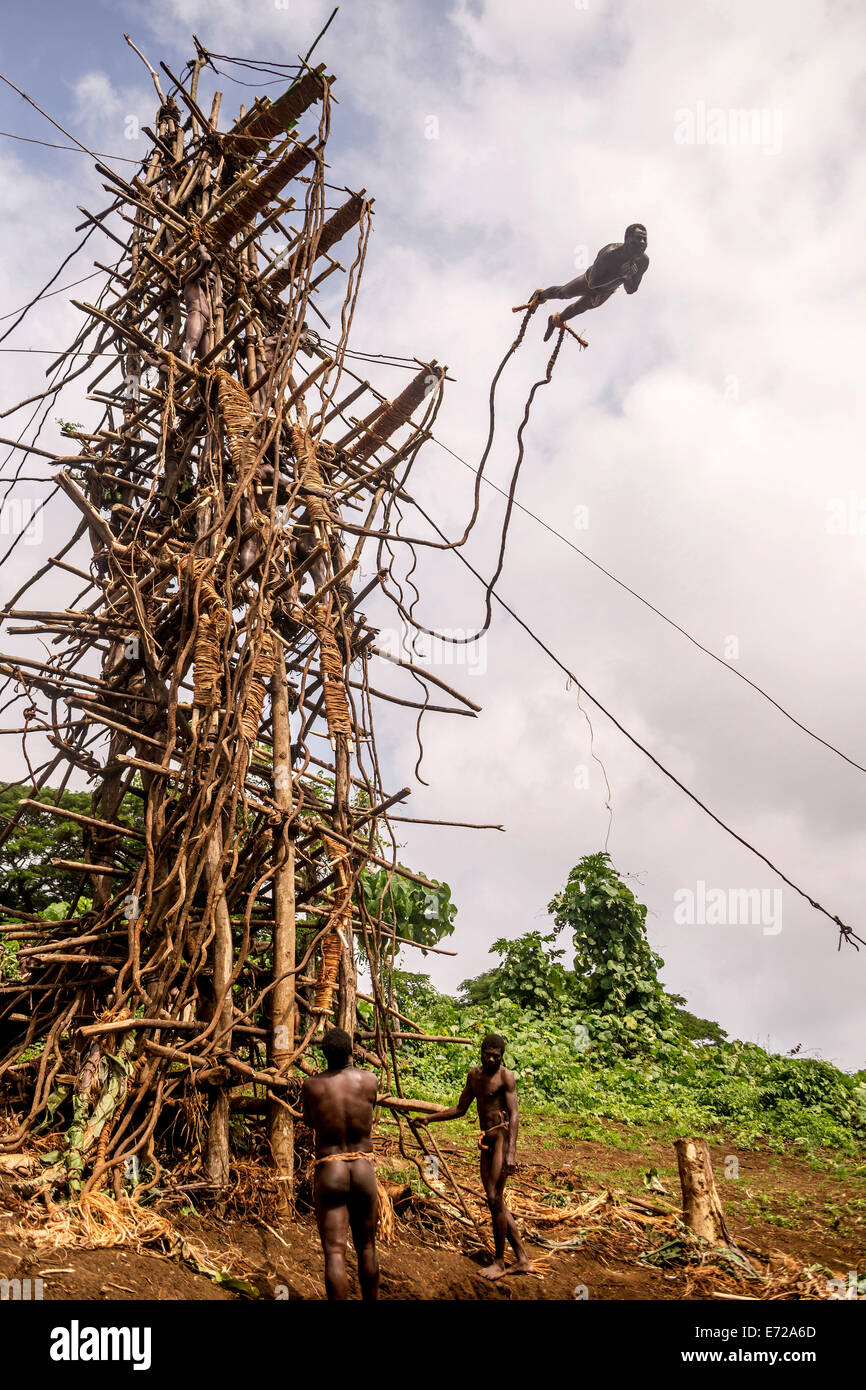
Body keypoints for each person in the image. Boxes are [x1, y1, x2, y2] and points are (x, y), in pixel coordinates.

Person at [417, 1033, 533, 1279]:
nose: (492, 1059)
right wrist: (429, 1118)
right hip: (487, 1140)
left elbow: (514, 1115)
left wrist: (512, 1151)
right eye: (488, 1054)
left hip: (501, 1137)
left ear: (502, 1056)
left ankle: (500, 1262)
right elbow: (460, 1108)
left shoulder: (506, 1077)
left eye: (497, 1056)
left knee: (494, 1197)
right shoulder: (474, 1076)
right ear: (481, 1053)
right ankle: (522, 1259)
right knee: (495, 1200)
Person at [301, 1026, 380, 1300]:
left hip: (330, 1169)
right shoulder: (370, 1081)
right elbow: (370, 1113)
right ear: (351, 1051)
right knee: (367, 1247)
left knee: (335, 1252)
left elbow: (309, 1121)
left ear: (324, 1055)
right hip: (363, 1169)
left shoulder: (312, 1086)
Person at [530, 223, 649, 340]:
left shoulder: (643, 261)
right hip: (588, 282)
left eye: (645, 239)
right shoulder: (610, 253)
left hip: (606, 292)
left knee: (578, 309)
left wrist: (627, 277)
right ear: (628, 239)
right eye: (639, 238)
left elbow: (631, 290)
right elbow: (593, 283)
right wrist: (619, 274)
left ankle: (555, 321)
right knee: (563, 293)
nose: (642, 243)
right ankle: (539, 296)